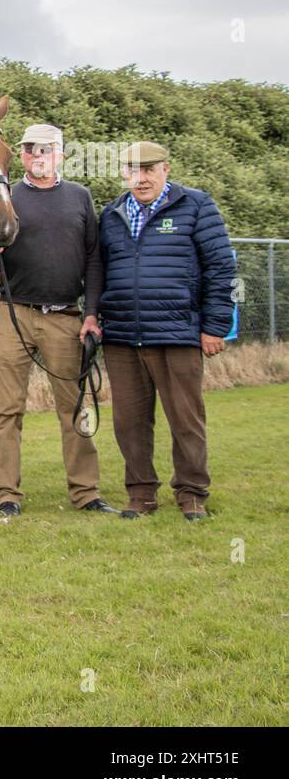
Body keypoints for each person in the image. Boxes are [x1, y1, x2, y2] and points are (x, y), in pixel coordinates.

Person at [0, 123, 116, 516]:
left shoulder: (80, 198)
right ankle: (6, 495)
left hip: (66, 317)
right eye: (31, 150)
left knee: (75, 407)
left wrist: (91, 314)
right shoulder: (6, 197)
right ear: (21, 155)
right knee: (8, 410)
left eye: (47, 150)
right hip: (14, 315)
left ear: (60, 155)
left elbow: (93, 260)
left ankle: (86, 493)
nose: (39, 156)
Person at [97, 141, 236, 521]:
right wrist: (95, 316)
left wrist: (214, 326)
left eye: (148, 170)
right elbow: (99, 271)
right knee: (129, 422)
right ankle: (140, 495)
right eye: (132, 171)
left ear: (165, 169)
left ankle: (192, 493)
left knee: (186, 419)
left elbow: (221, 268)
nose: (140, 179)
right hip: (123, 336)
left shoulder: (196, 206)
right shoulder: (111, 214)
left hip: (178, 334)